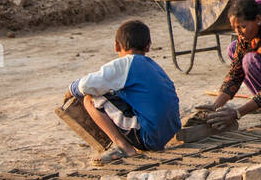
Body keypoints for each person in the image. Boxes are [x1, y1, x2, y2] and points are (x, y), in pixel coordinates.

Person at [62, 19, 181, 164]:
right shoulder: (154, 66)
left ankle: (124, 148)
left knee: (91, 99)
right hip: (168, 131)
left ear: (117, 46)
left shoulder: (125, 64)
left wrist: (71, 89)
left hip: (148, 136)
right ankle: (135, 141)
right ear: (148, 46)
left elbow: (86, 85)